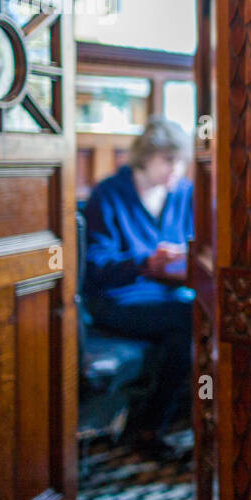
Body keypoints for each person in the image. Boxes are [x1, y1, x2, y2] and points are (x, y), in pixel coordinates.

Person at [82, 116, 195, 457]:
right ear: (145, 157)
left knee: (192, 321)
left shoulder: (184, 193)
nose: (175, 170)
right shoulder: (109, 195)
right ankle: (149, 428)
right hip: (114, 301)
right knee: (190, 317)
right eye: (168, 160)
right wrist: (145, 263)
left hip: (167, 295)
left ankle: (148, 428)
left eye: (180, 161)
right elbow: (96, 269)